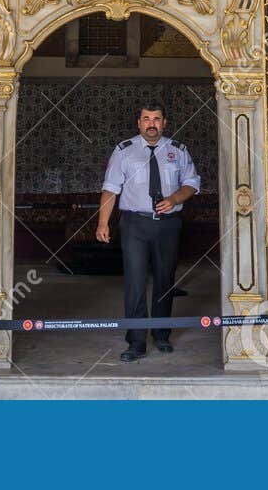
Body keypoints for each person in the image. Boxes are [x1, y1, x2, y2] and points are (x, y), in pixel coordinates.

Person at [95, 103, 200, 362]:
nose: (151, 124)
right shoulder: (124, 151)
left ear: (164, 122)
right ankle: (136, 342)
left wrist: (175, 199)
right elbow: (111, 188)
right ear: (138, 123)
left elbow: (192, 183)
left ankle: (161, 335)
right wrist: (102, 223)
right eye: (146, 119)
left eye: (156, 119)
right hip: (135, 225)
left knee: (165, 280)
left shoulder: (178, 150)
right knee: (135, 282)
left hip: (168, 224)